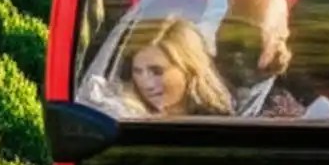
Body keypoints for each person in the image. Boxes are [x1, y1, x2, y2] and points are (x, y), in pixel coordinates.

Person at [77, 15, 233, 118]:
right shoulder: (120, 111)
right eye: (137, 71)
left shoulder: (220, 118)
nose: (147, 84)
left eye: (157, 71)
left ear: (189, 68)